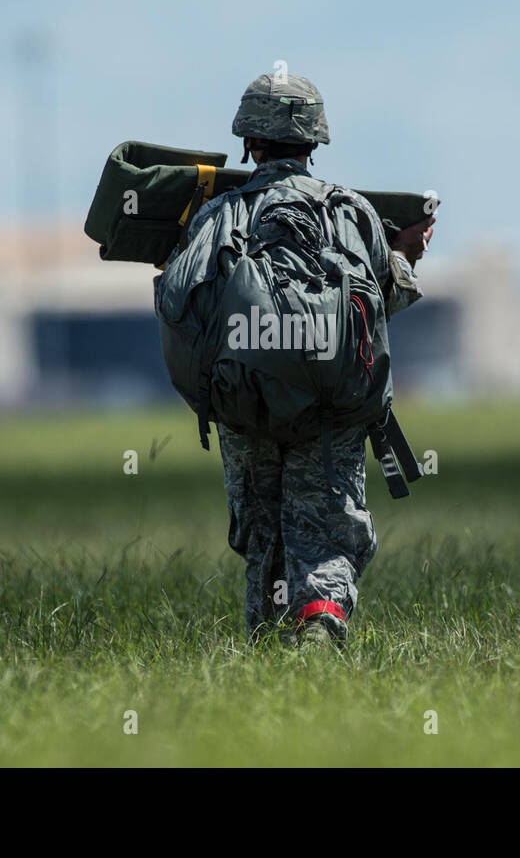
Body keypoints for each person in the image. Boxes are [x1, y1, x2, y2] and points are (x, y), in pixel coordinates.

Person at [169, 73, 434, 646]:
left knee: (263, 533)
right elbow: (381, 306)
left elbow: (186, 307)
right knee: (329, 532)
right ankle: (319, 621)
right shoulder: (352, 213)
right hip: (331, 407)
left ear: (248, 142)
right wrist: (406, 255)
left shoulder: (215, 217)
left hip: (247, 401)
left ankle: (269, 654)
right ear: (313, 144)